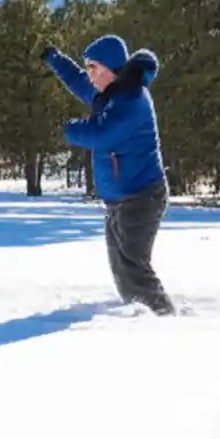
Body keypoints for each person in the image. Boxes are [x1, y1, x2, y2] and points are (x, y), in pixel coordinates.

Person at [42, 35, 176, 316]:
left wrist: (67, 128)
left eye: (93, 68)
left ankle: (164, 320)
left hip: (141, 198)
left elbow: (100, 134)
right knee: (121, 267)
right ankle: (139, 318)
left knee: (134, 268)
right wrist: (54, 58)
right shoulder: (110, 93)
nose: (88, 74)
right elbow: (78, 80)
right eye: (88, 67)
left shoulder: (131, 100)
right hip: (120, 199)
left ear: (110, 68)